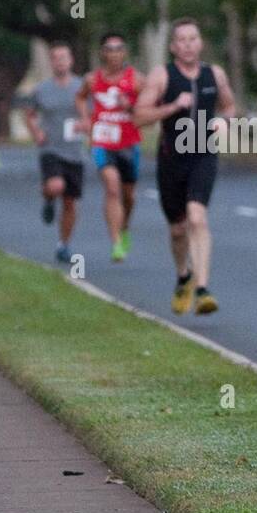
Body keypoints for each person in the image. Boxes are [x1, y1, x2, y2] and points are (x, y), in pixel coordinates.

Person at [134, 18, 236, 315]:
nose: (188, 45)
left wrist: (224, 121)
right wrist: (173, 106)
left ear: (200, 43)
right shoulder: (161, 76)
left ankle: (203, 289)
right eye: (182, 40)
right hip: (171, 158)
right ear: (173, 46)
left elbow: (229, 106)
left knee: (197, 217)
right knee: (178, 229)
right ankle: (183, 276)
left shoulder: (214, 74)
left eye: (193, 39)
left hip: (203, 153)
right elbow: (139, 117)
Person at [75, 34, 144, 262]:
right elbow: (80, 98)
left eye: (118, 48)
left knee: (129, 195)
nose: (114, 53)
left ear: (125, 52)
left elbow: (149, 106)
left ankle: (124, 227)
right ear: (102, 53)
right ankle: (115, 242)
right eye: (109, 49)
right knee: (112, 187)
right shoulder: (93, 80)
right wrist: (86, 119)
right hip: (102, 141)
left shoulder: (136, 80)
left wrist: (131, 106)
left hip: (129, 142)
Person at [25, 43, 85, 263]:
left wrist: (85, 124)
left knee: (70, 202)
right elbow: (30, 115)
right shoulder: (42, 90)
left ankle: (64, 244)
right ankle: (49, 198)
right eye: (56, 58)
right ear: (51, 63)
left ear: (71, 61)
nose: (60, 62)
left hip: (74, 151)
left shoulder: (82, 87)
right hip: (50, 148)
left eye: (64, 57)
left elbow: (93, 114)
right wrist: (36, 133)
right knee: (55, 185)